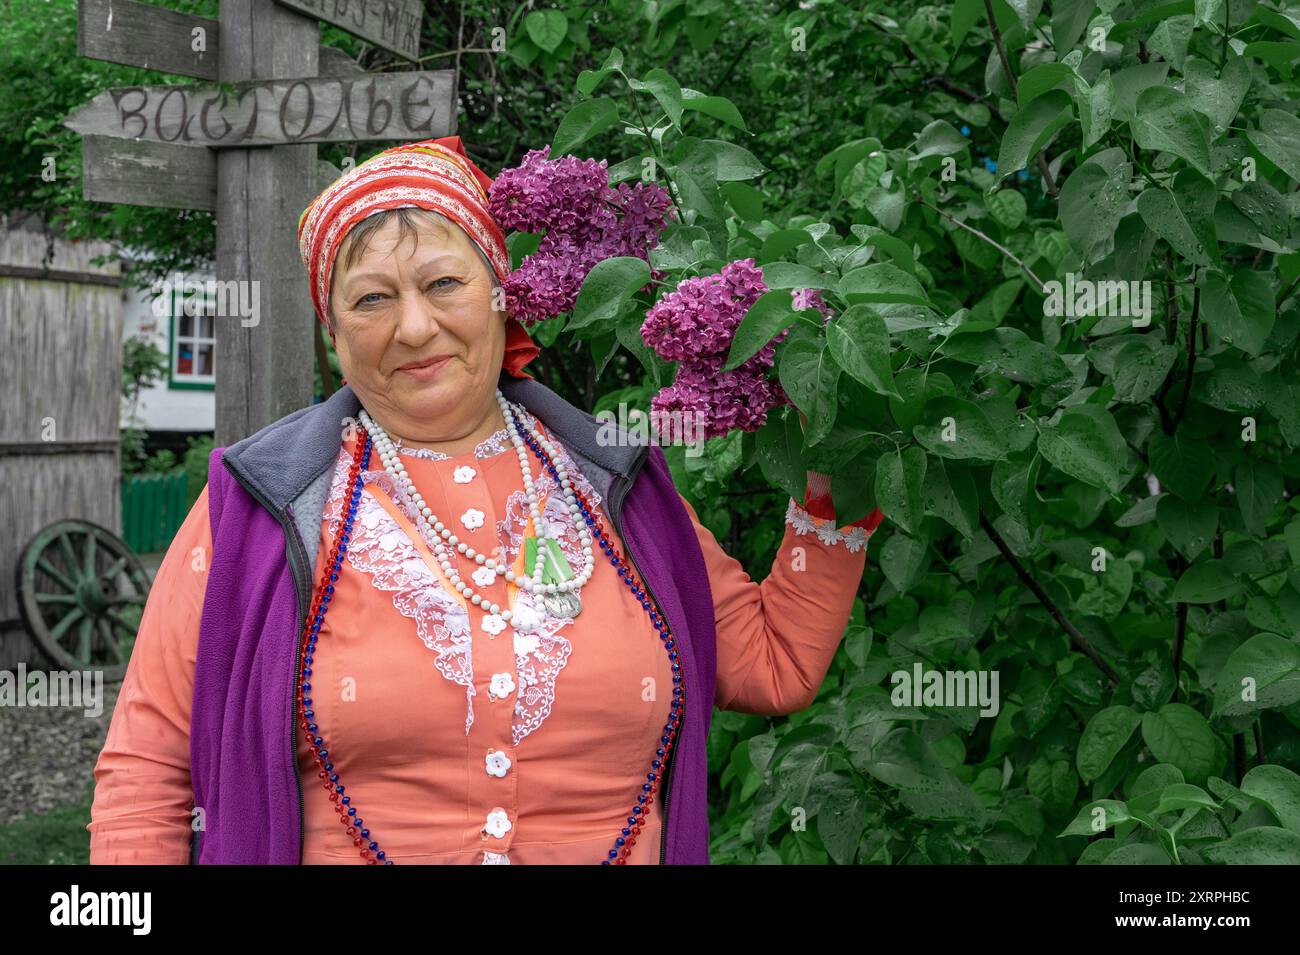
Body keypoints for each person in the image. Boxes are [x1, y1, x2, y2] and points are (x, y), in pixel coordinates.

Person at [87, 136, 884, 865]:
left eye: (443, 283)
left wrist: (837, 464)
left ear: (501, 295)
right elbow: (146, 770)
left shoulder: (614, 484)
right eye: (369, 300)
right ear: (332, 331)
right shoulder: (261, 503)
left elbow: (775, 666)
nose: (413, 325)